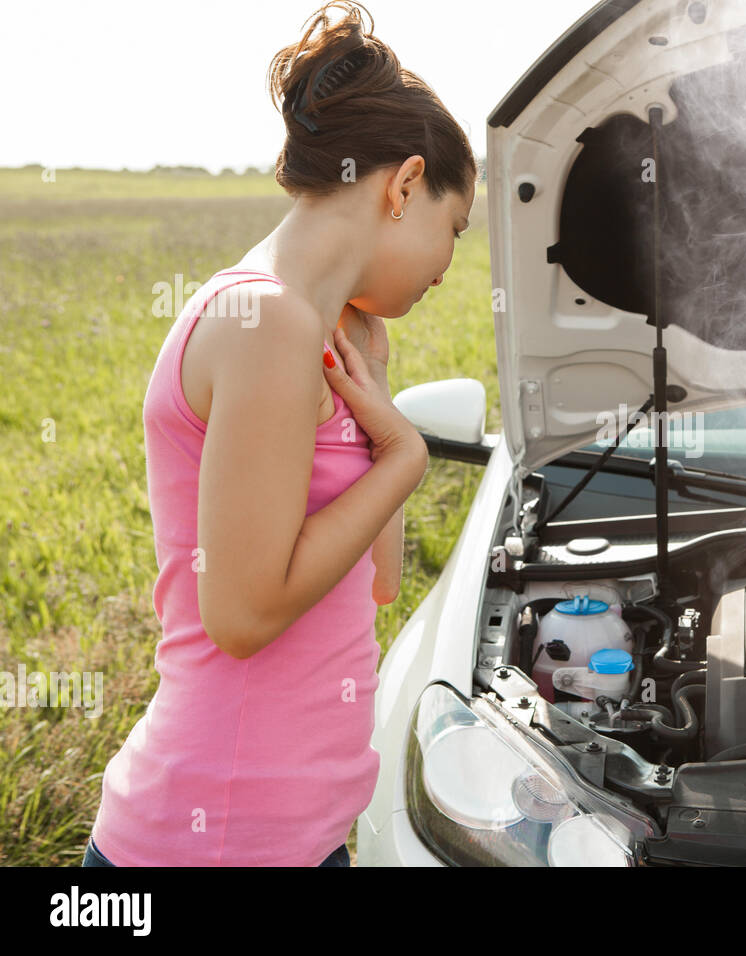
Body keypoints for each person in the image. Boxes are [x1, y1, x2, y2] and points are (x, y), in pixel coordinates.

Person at [82, 0, 477, 866]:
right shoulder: (262, 320)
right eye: (453, 227)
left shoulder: (331, 333)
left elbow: (373, 586)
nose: (449, 267)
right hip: (211, 840)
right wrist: (403, 457)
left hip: (297, 838)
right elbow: (245, 612)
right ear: (403, 184)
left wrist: (376, 408)